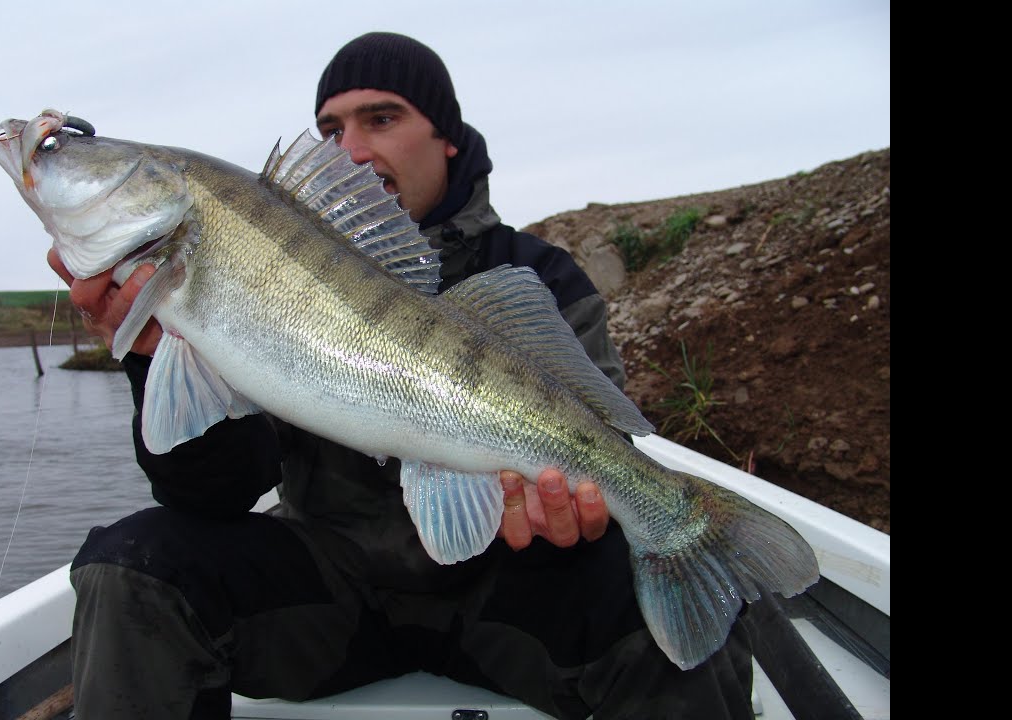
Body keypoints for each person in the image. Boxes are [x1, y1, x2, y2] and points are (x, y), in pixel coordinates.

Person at [48, 32, 754, 720]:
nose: (352, 149)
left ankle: (685, 535)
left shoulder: (536, 276)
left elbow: (602, 452)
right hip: (332, 589)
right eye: (331, 129)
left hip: (509, 585)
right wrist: (150, 358)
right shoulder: (253, 275)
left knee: (668, 620)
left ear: (448, 138)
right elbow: (218, 492)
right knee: (131, 563)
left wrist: (571, 513)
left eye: (382, 118)